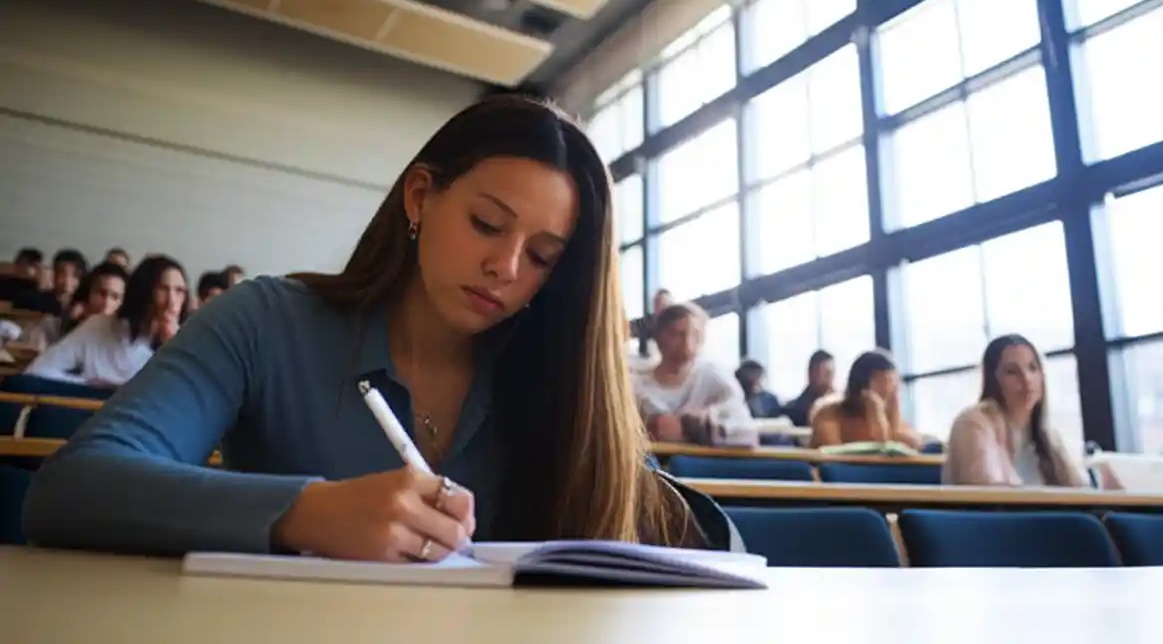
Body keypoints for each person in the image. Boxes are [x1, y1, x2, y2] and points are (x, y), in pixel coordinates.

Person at [24, 96, 737, 562]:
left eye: (544, 257)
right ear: (421, 198)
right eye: (486, 224)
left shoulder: (552, 372)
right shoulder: (266, 322)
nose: (505, 266)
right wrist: (303, 512)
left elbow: (714, 548)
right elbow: (70, 490)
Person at [942, 334, 1085, 487]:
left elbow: (1082, 493)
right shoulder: (973, 423)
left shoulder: (1049, 436)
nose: (1026, 379)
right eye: (1012, 372)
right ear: (993, 380)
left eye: (1033, 368)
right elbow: (988, 492)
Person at [23, 256, 189, 386]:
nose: (172, 301)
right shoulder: (99, 327)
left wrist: (172, 345)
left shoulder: (185, 340)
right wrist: (89, 384)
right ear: (144, 292)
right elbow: (38, 371)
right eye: (163, 289)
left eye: (179, 291)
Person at [632, 302, 757, 447]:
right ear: (658, 338)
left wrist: (695, 426)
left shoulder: (712, 375)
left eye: (695, 335)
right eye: (677, 334)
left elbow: (746, 428)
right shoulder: (638, 385)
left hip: (706, 465)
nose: (687, 343)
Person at [810, 349, 925, 450]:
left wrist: (891, 427)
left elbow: (917, 444)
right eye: (882, 381)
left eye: (892, 382)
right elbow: (831, 458)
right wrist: (878, 427)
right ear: (861, 385)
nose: (888, 389)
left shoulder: (889, 416)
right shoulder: (829, 414)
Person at [15, 248, 87, 317]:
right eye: (62, 274)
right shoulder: (38, 298)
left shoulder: (86, 303)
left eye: (74, 275)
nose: (67, 280)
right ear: (54, 274)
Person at [784, 350, 836, 426]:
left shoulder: (842, 407)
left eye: (831, 373)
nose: (830, 378)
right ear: (811, 373)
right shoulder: (793, 411)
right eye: (826, 373)